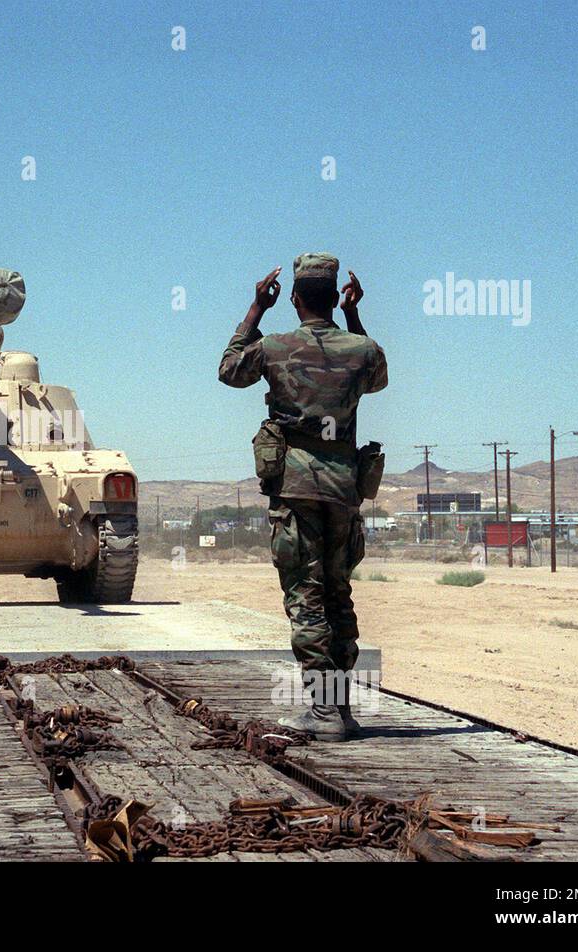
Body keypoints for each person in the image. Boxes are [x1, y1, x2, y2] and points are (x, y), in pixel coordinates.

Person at [219, 253, 388, 740]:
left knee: (305, 595)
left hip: (296, 486)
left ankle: (324, 712)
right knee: (338, 592)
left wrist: (255, 310)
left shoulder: (274, 346)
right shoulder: (359, 350)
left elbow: (230, 369)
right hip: (344, 487)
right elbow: (377, 375)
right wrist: (354, 316)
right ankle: (340, 707)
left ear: (292, 298)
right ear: (335, 296)